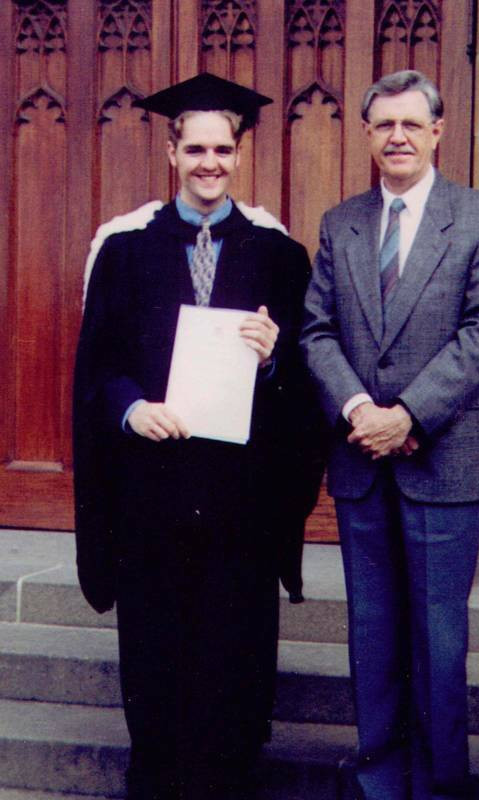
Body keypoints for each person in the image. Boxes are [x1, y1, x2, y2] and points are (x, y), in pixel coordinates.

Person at [73, 72, 323, 800]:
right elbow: (99, 364)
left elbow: (305, 378)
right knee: (154, 661)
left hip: (240, 501)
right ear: (172, 152)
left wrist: (277, 355)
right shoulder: (125, 250)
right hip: (151, 492)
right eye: (195, 148)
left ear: (240, 153)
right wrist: (129, 408)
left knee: (234, 660)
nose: (209, 162)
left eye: (222, 148)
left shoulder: (279, 254)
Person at [300, 70, 479, 800]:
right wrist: (361, 408)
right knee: (373, 632)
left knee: (437, 640)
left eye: (410, 125)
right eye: (383, 125)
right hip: (361, 458)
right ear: (366, 134)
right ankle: (379, 784)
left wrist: (410, 414)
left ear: (436, 131)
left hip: (442, 459)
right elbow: (317, 329)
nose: (396, 137)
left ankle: (438, 787)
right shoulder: (342, 223)